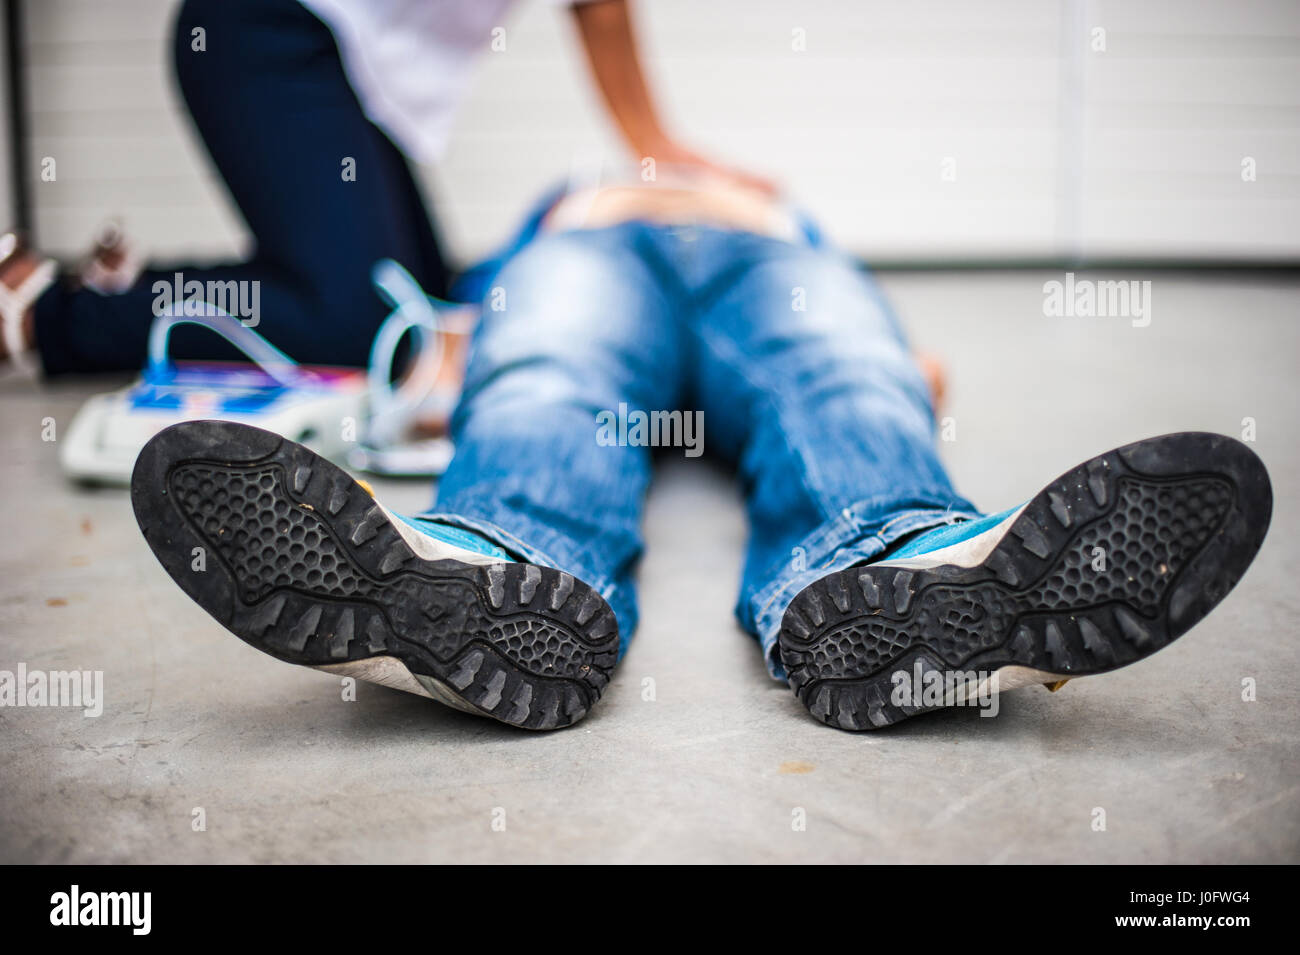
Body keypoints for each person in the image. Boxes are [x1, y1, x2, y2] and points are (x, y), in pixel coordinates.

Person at [128, 176, 1273, 731]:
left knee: (841, 376)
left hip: (762, 264)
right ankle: (467, 573)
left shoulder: (778, 212)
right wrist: (455, 370)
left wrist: (900, 371)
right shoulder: (560, 218)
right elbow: (477, 352)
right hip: (586, 260)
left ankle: (918, 565)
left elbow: (886, 366)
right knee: (549, 377)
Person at [0, 0, 766, 376]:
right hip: (263, 31)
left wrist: (658, 152)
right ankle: (52, 316)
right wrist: (655, 153)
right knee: (370, 322)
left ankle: (137, 286)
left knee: (423, 306)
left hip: (349, 71)